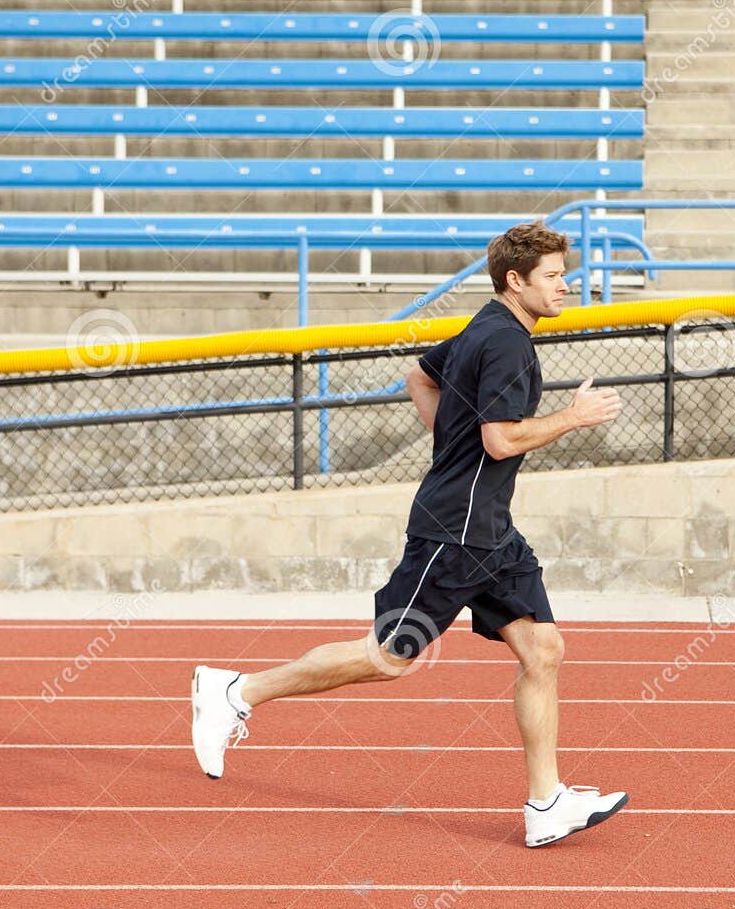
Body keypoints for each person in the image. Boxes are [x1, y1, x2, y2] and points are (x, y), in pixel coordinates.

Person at [191, 221, 629, 847]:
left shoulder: (486, 325)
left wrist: (450, 447)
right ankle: (236, 691)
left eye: (565, 274)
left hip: (491, 530)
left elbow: (417, 377)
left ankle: (546, 802)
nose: (568, 285)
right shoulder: (505, 343)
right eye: (555, 277)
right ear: (516, 281)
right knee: (389, 659)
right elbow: (500, 438)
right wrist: (573, 417)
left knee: (544, 650)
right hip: (455, 532)